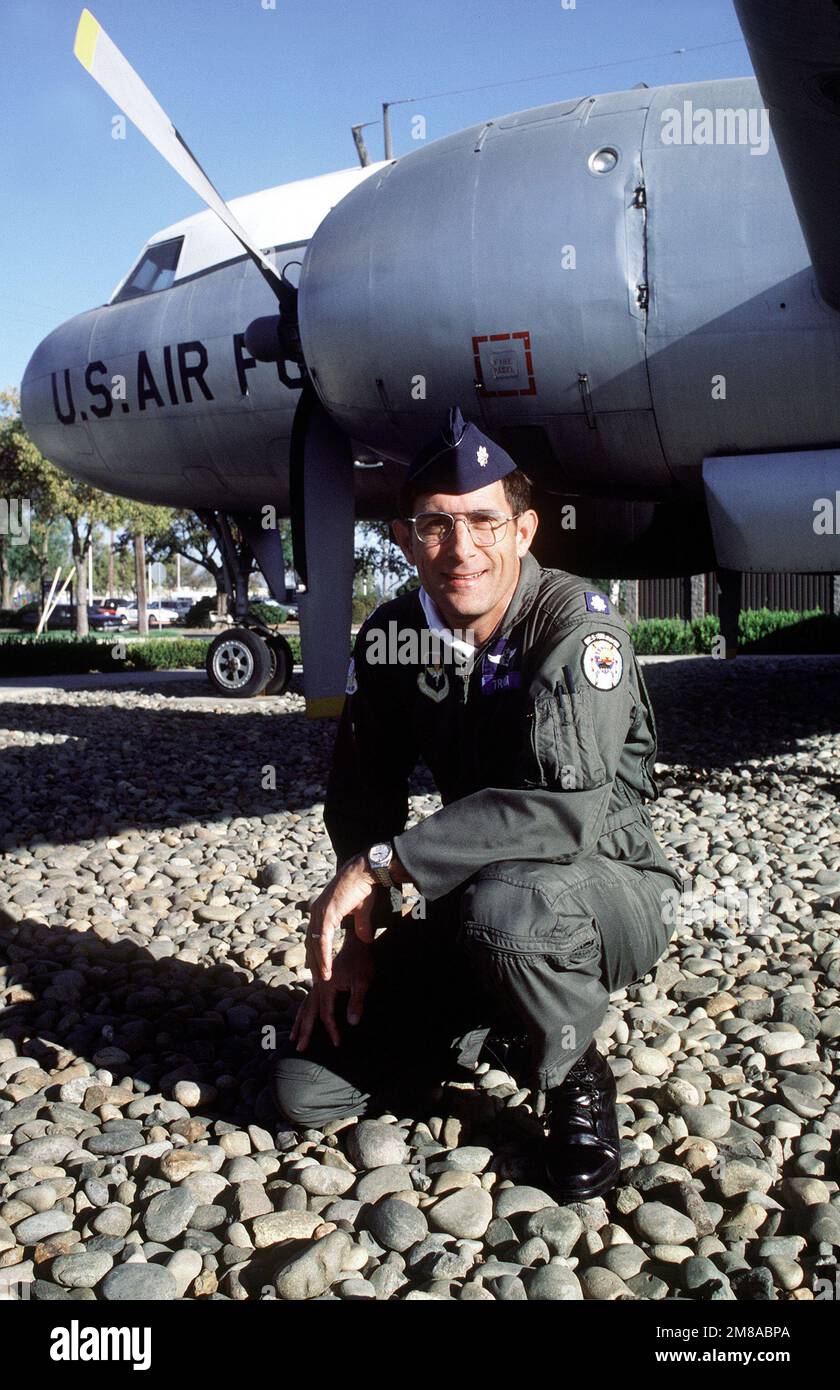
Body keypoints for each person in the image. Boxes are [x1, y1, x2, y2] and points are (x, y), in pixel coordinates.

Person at [273, 406, 683, 1202]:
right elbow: (362, 793)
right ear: (402, 537)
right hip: (471, 897)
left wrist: (388, 867)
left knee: (512, 913)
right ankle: (496, 1019)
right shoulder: (394, 636)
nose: (461, 549)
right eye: (435, 525)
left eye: (484, 522)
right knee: (305, 1090)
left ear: (524, 531)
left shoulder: (574, 625)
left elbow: (561, 809)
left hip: (606, 886)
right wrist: (363, 929)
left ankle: (573, 1069)